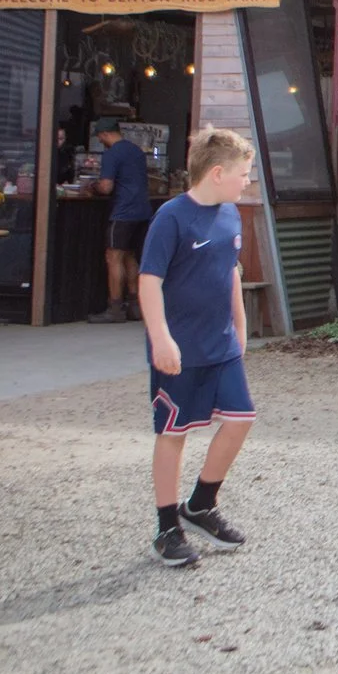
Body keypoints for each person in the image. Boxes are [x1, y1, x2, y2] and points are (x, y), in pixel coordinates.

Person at [138, 126, 256, 568]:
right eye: (244, 173)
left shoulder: (230, 216)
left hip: (221, 345)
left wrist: (240, 326)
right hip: (181, 349)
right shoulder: (171, 217)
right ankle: (167, 527)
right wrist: (161, 337)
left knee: (242, 419)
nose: (248, 181)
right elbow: (149, 280)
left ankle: (201, 504)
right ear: (218, 172)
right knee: (174, 434)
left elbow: (231, 274)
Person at [88, 118, 153, 323]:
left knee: (113, 257)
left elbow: (106, 187)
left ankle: (114, 307)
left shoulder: (112, 153)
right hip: (143, 210)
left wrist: (92, 187)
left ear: (105, 134)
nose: (99, 139)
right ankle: (134, 306)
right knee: (130, 256)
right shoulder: (136, 151)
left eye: (99, 136)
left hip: (123, 211)